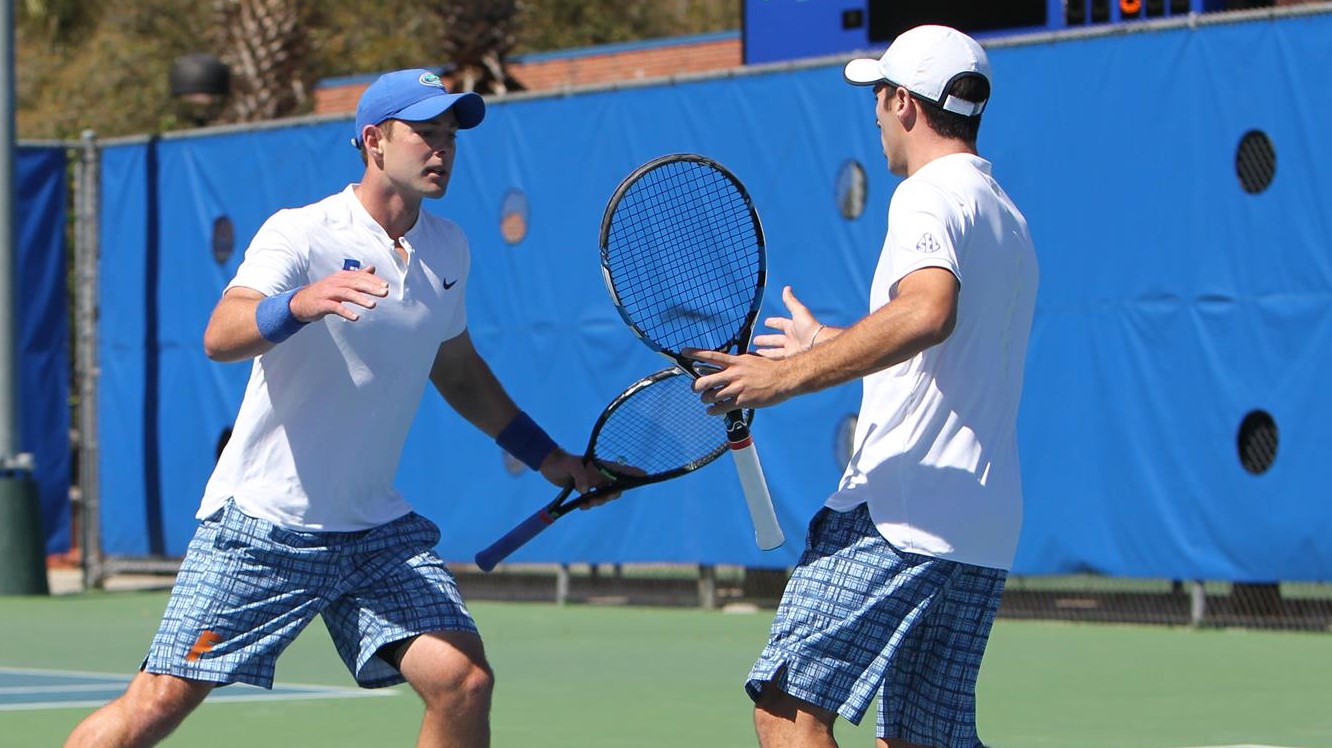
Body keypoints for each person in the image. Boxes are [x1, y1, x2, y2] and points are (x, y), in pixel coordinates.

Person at [64, 69, 610, 748]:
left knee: (462, 681)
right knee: (154, 706)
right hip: (266, 527)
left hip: (373, 530)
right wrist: (296, 305)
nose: (443, 149)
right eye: (426, 133)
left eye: (451, 135)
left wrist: (550, 459)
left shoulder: (448, 247)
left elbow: (460, 370)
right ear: (374, 140)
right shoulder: (302, 232)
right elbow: (220, 334)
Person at [687, 25, 1040, 748]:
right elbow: (942, 335)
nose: (875, 115)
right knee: (921, 738)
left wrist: (781, 375)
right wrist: (826, 343)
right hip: (981, 522)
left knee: (788, 705)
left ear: (903, 102)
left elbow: (927, 312)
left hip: (899, 510)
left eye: (878, 99)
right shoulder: (1005, 214)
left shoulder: (926, 196)